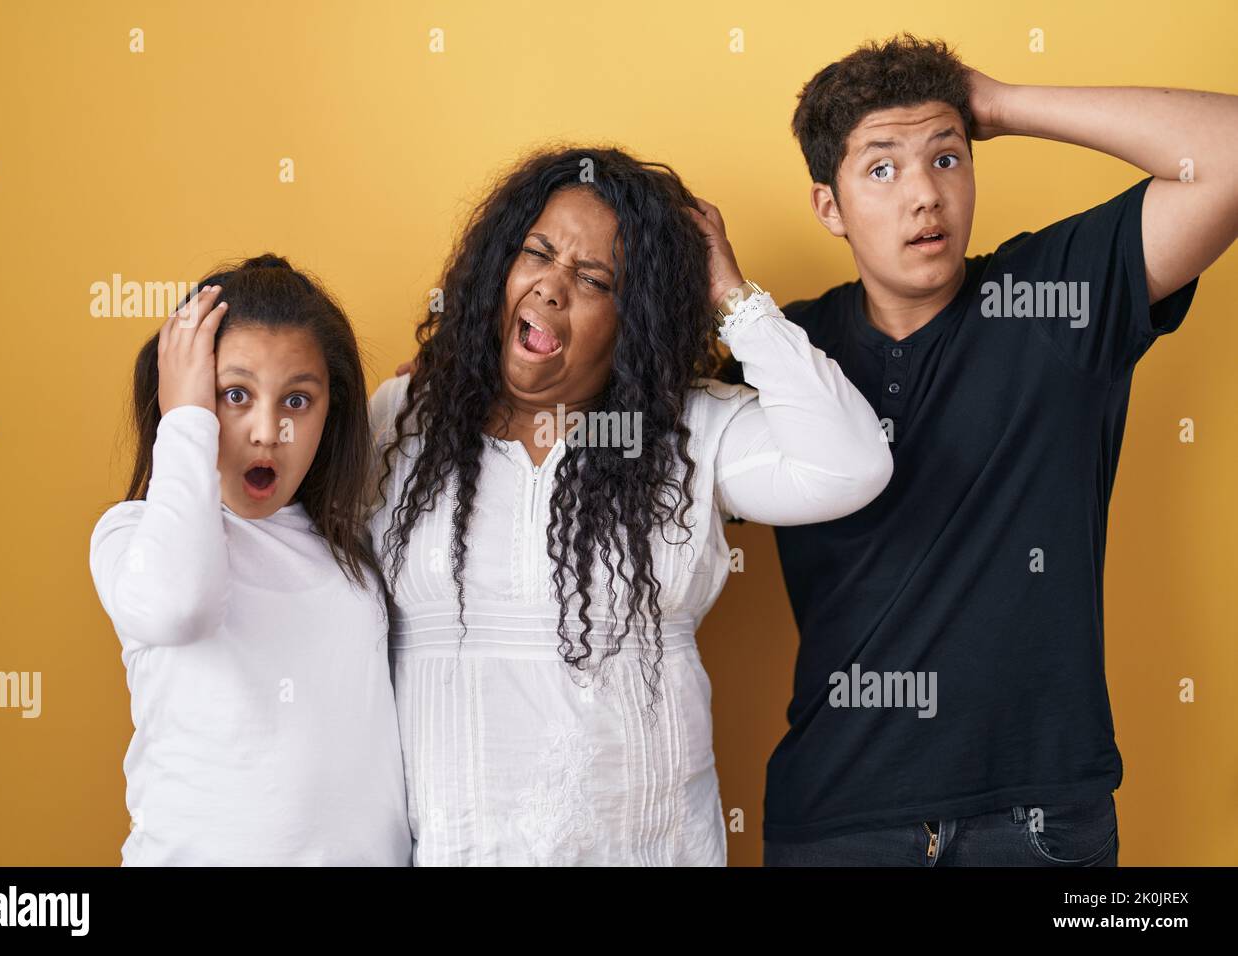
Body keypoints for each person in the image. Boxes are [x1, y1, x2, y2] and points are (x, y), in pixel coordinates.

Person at [738, 35, 1237, 866]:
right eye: (884, 169)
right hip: (837, 819)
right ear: (830, 207)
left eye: (947, 157)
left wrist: (1000, 103)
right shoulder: (787, 351)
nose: (925, 196)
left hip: (1038, 817)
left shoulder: (1051, 298)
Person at [370, 146, 892, 865]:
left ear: (635, 320)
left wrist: (732, 295)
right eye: (538, 254)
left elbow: (851, 464)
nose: (551, 288)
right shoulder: (400, 420)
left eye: (593, 279)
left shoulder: (690, 429)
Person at [89, 254, 411, 865]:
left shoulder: (353, 555)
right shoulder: (132, 537)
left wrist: (449, 396)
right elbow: (179, 609)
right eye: (234, 395)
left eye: (298, 401)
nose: (267, 431)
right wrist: (185, 416)